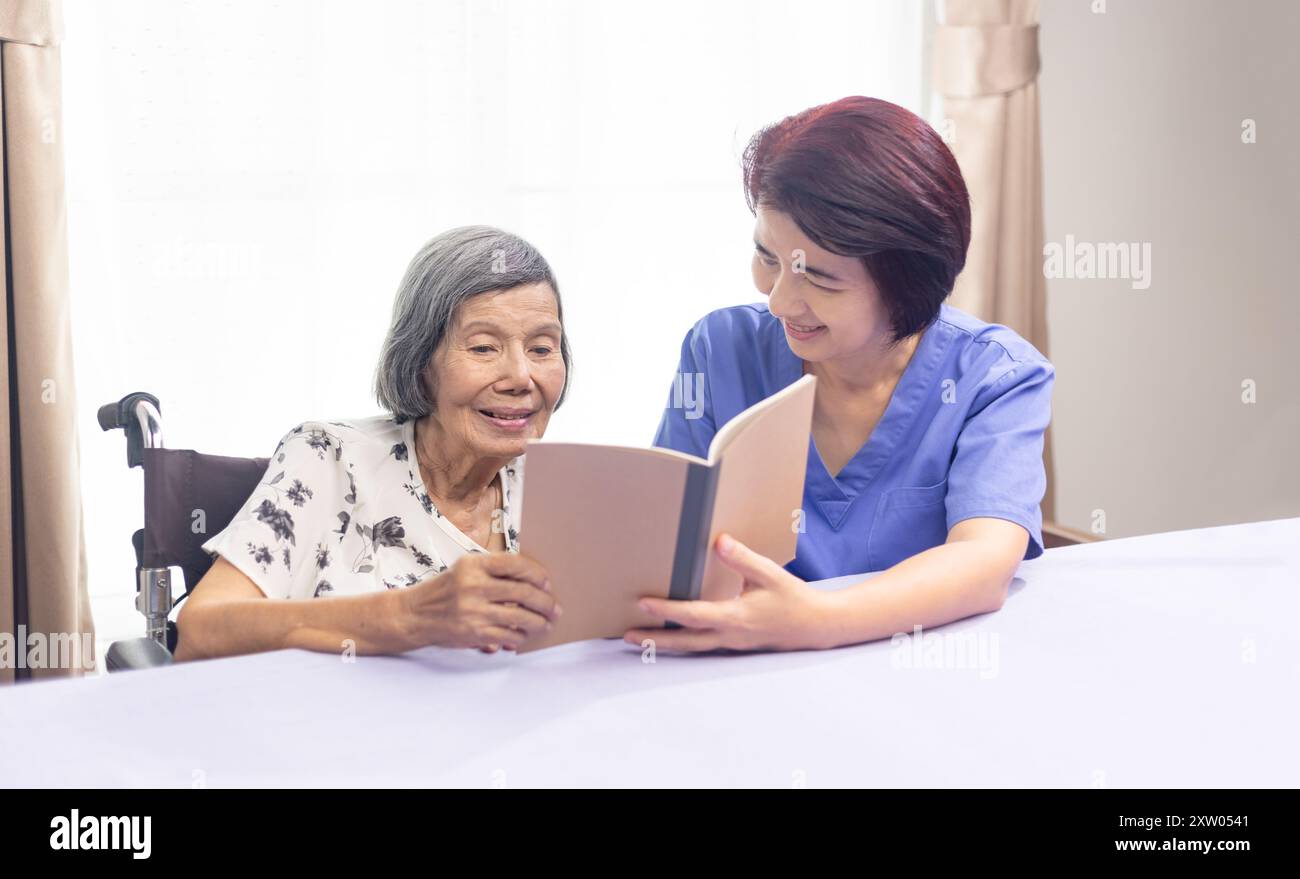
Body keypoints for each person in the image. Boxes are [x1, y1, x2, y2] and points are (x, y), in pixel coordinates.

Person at [634, 97, 1055, 653]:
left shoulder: (995, 378)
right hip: (732, 677)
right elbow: (662, 539)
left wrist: (815, 622)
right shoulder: (721, 350)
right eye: (767, 258)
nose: (781, 300)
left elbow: (983, 563)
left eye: (821, 280)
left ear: (907, 281)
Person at [176, 226, 567, 660]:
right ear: (421, 363)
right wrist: (410, 616)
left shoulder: (559, 490)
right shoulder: (330, 456)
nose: (520, 377)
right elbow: (201, 632)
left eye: (542, 349)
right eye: (482, 347)